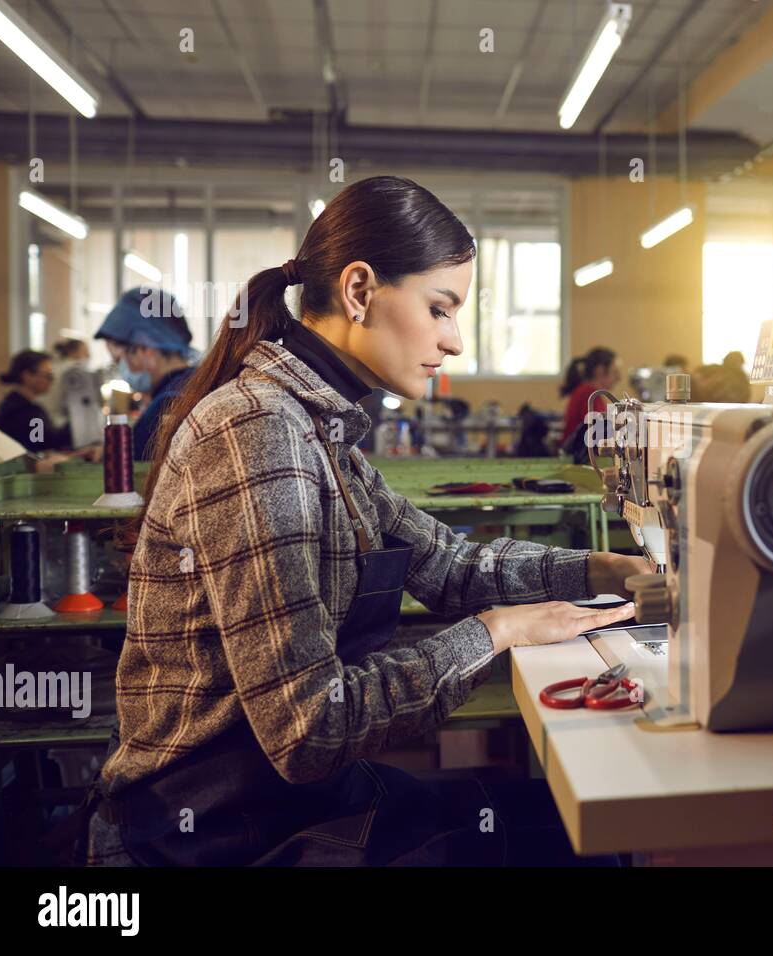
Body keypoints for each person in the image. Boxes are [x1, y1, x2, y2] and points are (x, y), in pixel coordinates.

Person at [80, 176, 648, 867]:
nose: (456, 342)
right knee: (581, 848)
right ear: (359, 291)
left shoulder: (322, 433)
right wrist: (495, 634)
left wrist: (604, 569)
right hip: (217, 835)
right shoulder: (261, 433)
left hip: (290, 802)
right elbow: (308, 730)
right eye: (441, 309)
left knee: (576, 826)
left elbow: (451, 567)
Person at [94, 288, 196, 459]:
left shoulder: (169, 401)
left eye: (119, 360)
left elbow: (134, 462)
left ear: (144, 349)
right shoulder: (193, 384)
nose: (121, 368)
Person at [0, 350, 72, 452]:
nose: (51, 381)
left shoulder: (20, 405)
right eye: (48, 376)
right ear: (27, 376)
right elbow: (41, 445)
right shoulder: (24, 411)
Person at [560, 347, 621, 456]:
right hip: (577, 458)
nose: (618, 378)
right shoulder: (590, 394)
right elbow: (601, 432)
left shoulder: (585, 390)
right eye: (614, 372)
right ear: (600, 370)